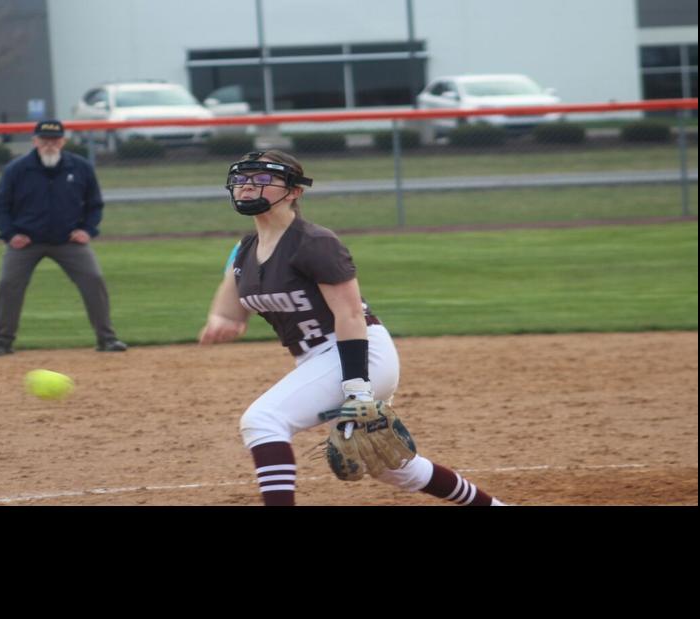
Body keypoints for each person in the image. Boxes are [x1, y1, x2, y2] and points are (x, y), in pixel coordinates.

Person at [198, 150, 506, 507]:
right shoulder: (244, 250)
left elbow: (350, 316)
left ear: (295, 191)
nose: (249, 187)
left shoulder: (314, 243)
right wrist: (221, 320)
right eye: (242, 179)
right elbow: (230, 310)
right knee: (392, 467)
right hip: (318, 359)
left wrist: (357, 389)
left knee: (263, 420)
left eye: (264, 179)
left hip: (359, 354)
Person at [0, 120, 127, 356]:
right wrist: (11, 234)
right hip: (26, 241)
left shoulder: (80, 167)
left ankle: (107, 339)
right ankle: (2, 342)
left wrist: (87, 230)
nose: (49, 145)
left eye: (54, 140)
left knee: (93, 279)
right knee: (8, 284)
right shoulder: (17, 169)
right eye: (44, 140)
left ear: (63, 141)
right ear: (35, 141)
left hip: (68, 240)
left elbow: (95, 205)